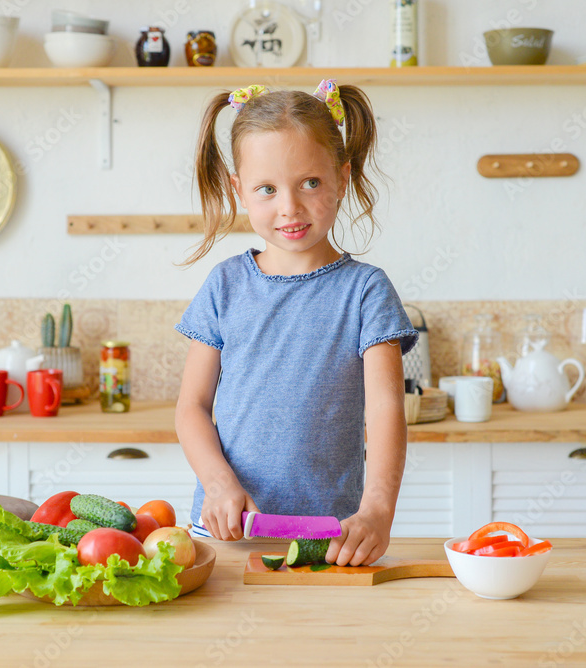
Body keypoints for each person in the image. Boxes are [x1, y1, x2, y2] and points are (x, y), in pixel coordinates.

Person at [174, 80, 418, 566]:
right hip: (229, 529)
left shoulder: (366, 290)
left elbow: (386, 409)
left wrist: (377, 510)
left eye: (310, 182)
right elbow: (191, 407)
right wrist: (220, 484)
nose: (289, 206)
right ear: (238, 190)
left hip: (332, 538)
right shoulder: (224, 285)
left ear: (342, 177)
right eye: (267, 189)